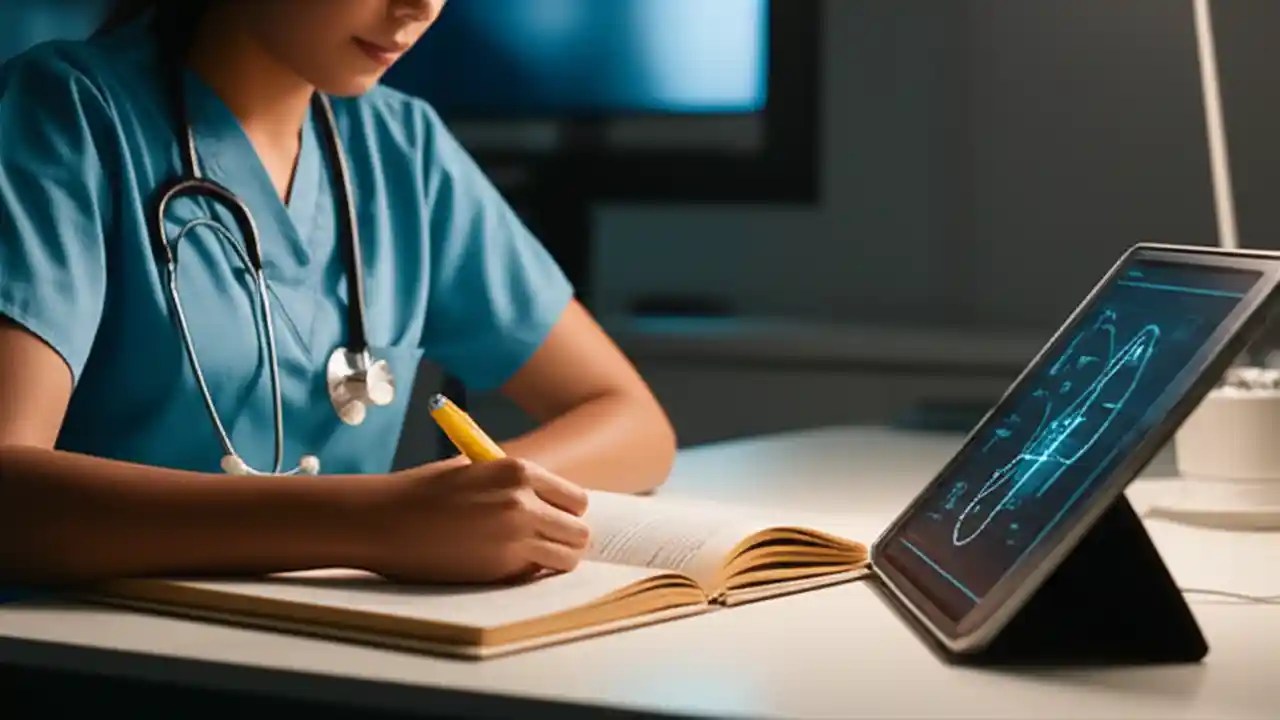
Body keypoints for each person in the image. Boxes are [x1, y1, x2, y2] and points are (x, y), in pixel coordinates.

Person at [0, 1, 676, 587]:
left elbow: (633, 422)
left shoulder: (402, 149)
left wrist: (482, 502)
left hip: (339, 659)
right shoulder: (65, 113)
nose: (418, 7)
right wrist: (373, 521)